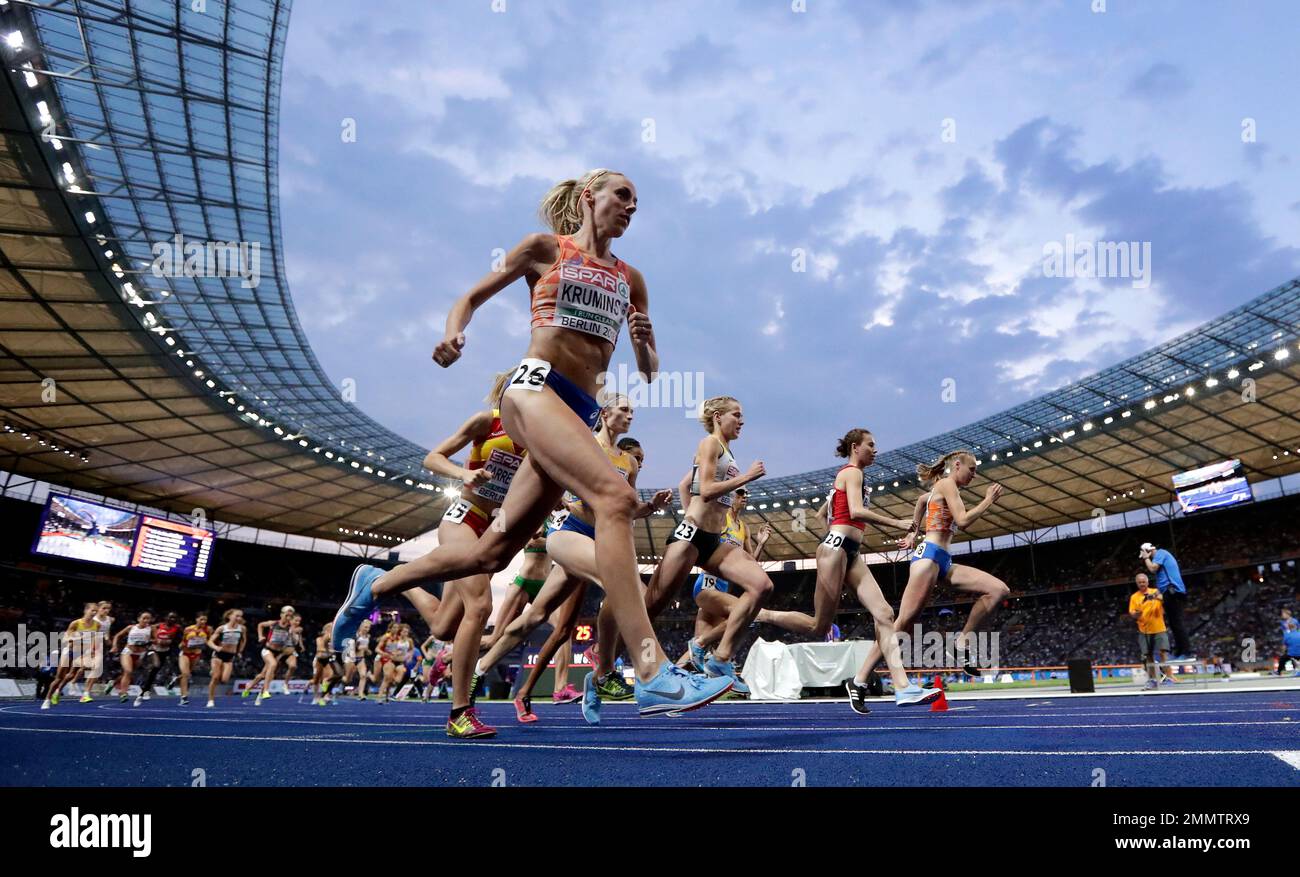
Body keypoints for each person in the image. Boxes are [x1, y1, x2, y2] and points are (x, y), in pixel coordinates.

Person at [330, 168, 732, 723]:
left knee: (489, 554)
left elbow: (651, 369)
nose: (631, 207)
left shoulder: (631, 279)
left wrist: (645, 348)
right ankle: (650, 669)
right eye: (622, 195)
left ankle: (378, 582)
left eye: (637, 202)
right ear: (589, 197)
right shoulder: (546, 248)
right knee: (614, 498)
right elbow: (470, 296)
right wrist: (452, 333)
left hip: (577, 411)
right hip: (534, 388)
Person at [757, 429, 939, 710]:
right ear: (856, 447)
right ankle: (762, 613)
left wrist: (830, 530)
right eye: (871, 445)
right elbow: (854, 511)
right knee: (820, 626)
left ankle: (902, 687)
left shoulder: (855, 477)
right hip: (836, 549)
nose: (876, 450)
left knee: (885, 613)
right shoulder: (852, 472)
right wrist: (897, 523)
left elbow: (825, 513)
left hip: (850, 552)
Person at [851, 449, 1008, 691]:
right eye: (972, 470)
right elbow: (964, 520)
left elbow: (922, 500)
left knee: (998, 590)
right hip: (928, 558)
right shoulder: (947, 483)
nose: (974, 475)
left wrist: (912, 532)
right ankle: (859, 679)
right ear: (957, 465)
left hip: (943, 560)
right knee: (902, 624)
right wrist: (988, 500)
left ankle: (962, 642)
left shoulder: (940, 488)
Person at [42, 603, 100, 710]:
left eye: (96, 611)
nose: (94, 613)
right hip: (69, 651)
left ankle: (85, 694)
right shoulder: (76, 623)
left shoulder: (97, 625)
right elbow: (64, 639)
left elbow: (94, 638)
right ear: (86, 610)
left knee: (92, 667)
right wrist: (80, 638)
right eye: (92, 610)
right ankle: (48, 698)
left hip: (82, 653)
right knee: (60, 678)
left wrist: (92, 649)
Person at [1139, 542, 1191, 659]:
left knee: (1177, 623)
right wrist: (1153, 595)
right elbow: (1163, 582)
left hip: (1173, 592)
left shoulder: (1161, 553)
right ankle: (1180, 650)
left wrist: (1146, 558)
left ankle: (1185, 651)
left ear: (1149, 551)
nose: (1146, 558)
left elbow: (1152, 568)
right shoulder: (1162, 557)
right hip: (1169, 592)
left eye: (1145, 555)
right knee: (1174, 623)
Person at [1129, 574, 1174, 689]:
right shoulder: (1134, 597)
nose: (1142, 584)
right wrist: (1137, 614)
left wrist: (1154, 597)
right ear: (1137, 583)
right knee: (1148, 656)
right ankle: (1153, 680)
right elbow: (1132, 613)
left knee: (1163, 653)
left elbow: (1167, 600)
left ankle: (1169, 678)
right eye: (1140, 582)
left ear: (1148, 582)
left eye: (1144, 581)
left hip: (1159, 628)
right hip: (1144, 630)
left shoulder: (1156, 591)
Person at [206, 609, 245, 707]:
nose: (239, 618)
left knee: (224, 680)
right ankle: (210, 700)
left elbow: (243, 640)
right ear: (229, 616)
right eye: (237, 616)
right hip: (218, 655)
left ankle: (215, 671)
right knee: (215, 678)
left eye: (240, 616)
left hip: (230, 656)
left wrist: (240, 651)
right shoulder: (222, 628)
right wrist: (216, 647)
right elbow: (209, 641)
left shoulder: (242, 629)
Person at [178, 613, 212, 706]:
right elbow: (182, 642)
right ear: (196, 619)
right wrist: (185, 644)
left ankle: (175, 679)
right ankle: (184, 698)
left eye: (205, 620)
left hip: (196, 654)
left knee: (188, 674)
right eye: (201, 619)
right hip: (185, 654)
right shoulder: (188, 629)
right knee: (185, 674)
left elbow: (210, 640)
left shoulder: (208, 629)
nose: (203, 622)